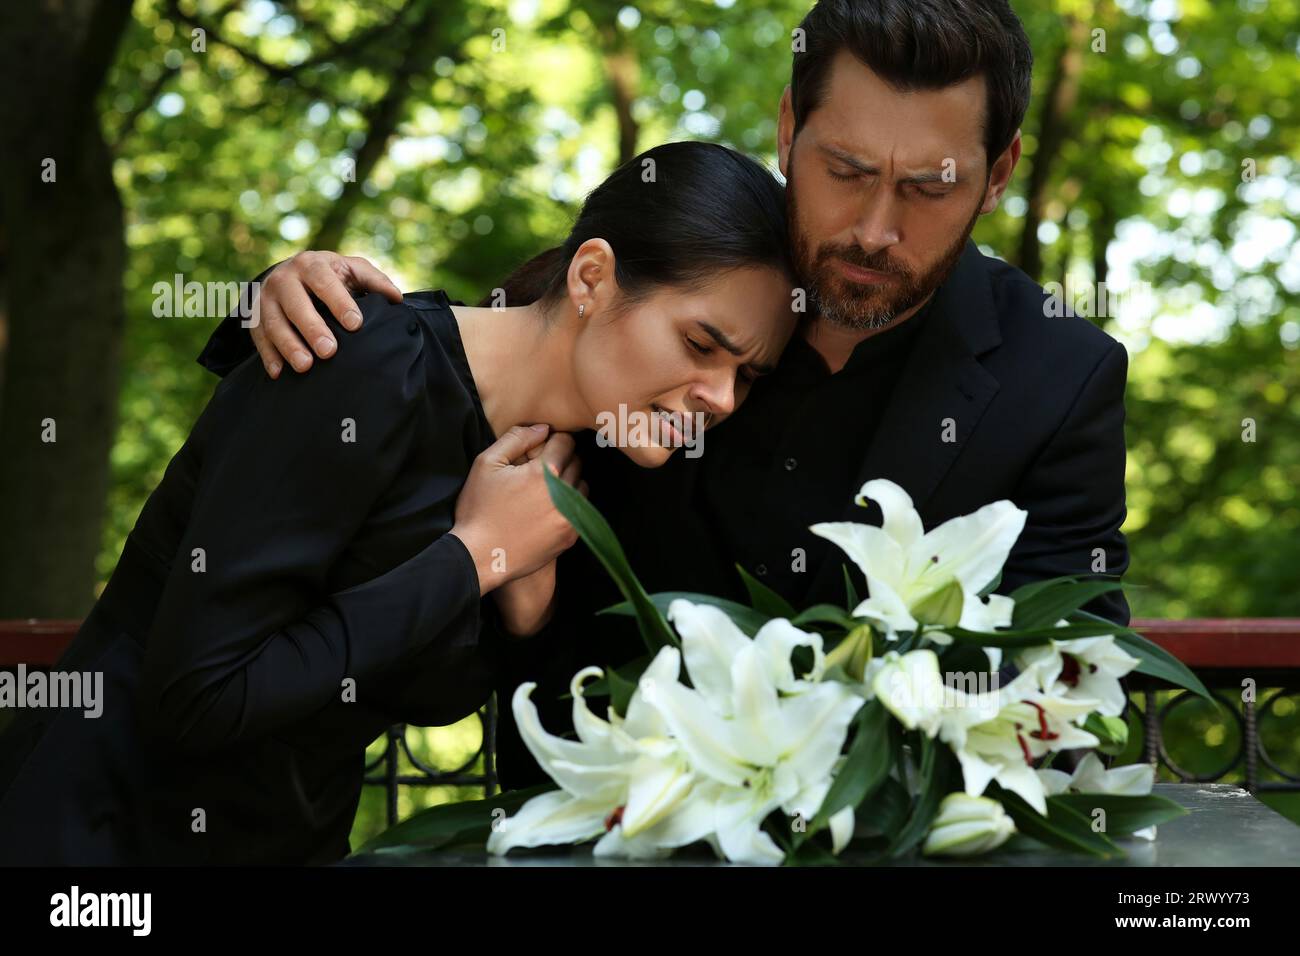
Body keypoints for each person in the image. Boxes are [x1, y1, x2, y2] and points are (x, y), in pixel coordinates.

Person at [226, 0, 1134, 793]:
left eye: (928, 187)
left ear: (1001, 171)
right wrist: (300, 295)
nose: (873, 228)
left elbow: (1072, 673)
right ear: (787, 129)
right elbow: (506, 342)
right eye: (845, 170)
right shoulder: (696, 268)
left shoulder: (1062, 377)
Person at [0, 141, 798, 864]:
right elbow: (199, 696)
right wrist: (472, 557)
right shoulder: (363, 359)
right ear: (592, 276)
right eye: (701, 345)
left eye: (746, 376)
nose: (723, 398)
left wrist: (521, 599)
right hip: (97, 841)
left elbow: (435, 691)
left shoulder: (566, 479)